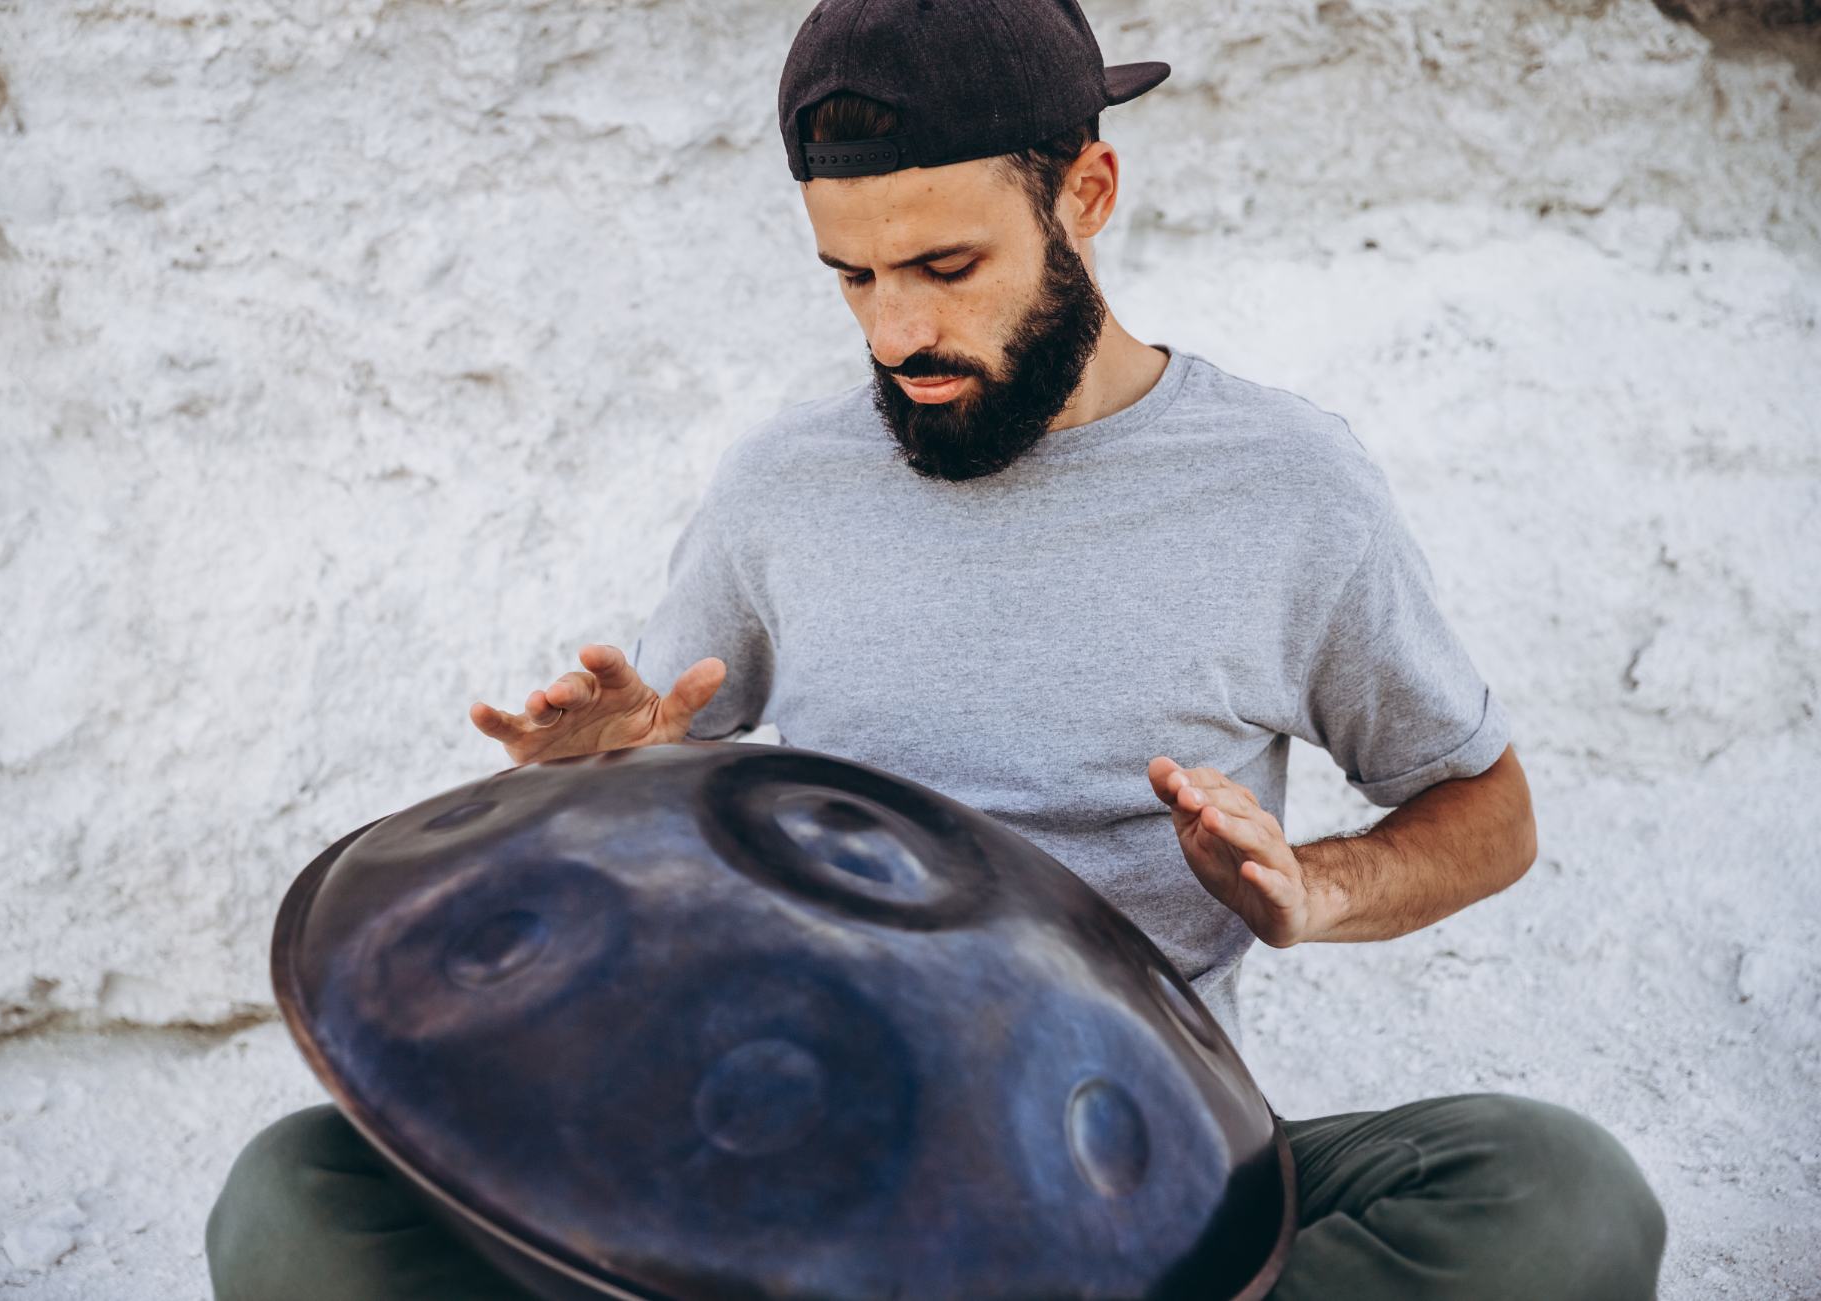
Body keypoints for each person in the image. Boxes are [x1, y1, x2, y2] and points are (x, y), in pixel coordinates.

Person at [206, 2, 1668, 1297]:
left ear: (1087, 193)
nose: (898, 330)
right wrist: (610, 768)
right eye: (851, 278)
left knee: (1560, 1195)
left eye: (945, 264)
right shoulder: (786, 483)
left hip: (1118, 1181)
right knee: (296, 1197)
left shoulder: (1288, 488)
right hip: (775, 1132)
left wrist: (1313, 888)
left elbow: (1492, 814)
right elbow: (680, 774)